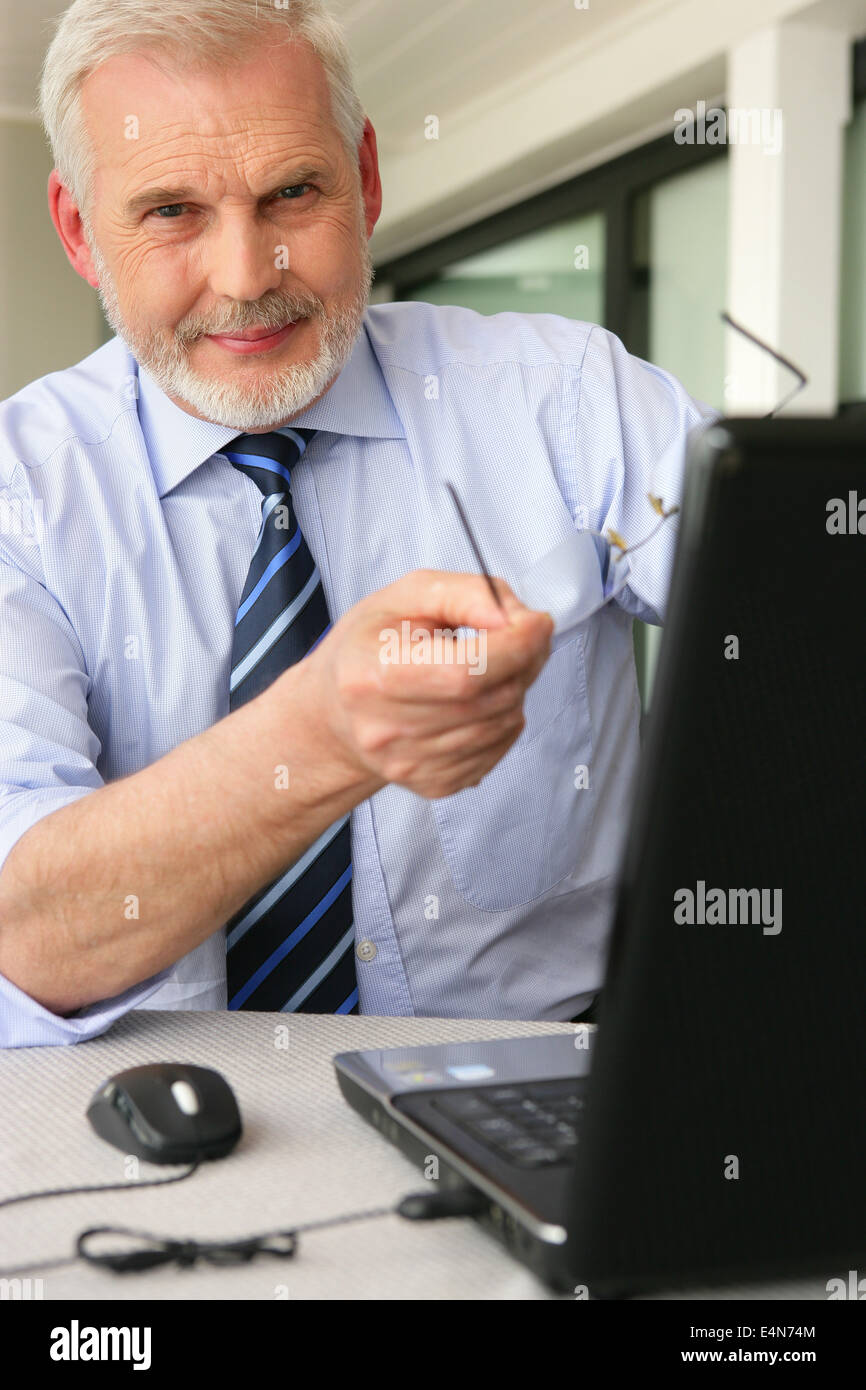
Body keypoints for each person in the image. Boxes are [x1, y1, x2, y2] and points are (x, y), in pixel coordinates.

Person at [0, 0, 714, 1046]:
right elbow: (26, 933)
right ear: (78, 231)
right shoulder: (21, 490)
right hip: (142, 1121)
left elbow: (792, 613)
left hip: (539, 1089)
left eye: (292, 192)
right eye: (171, 213)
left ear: (366, 179)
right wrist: (321, 734)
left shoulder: (564, 398)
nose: (247, 280)